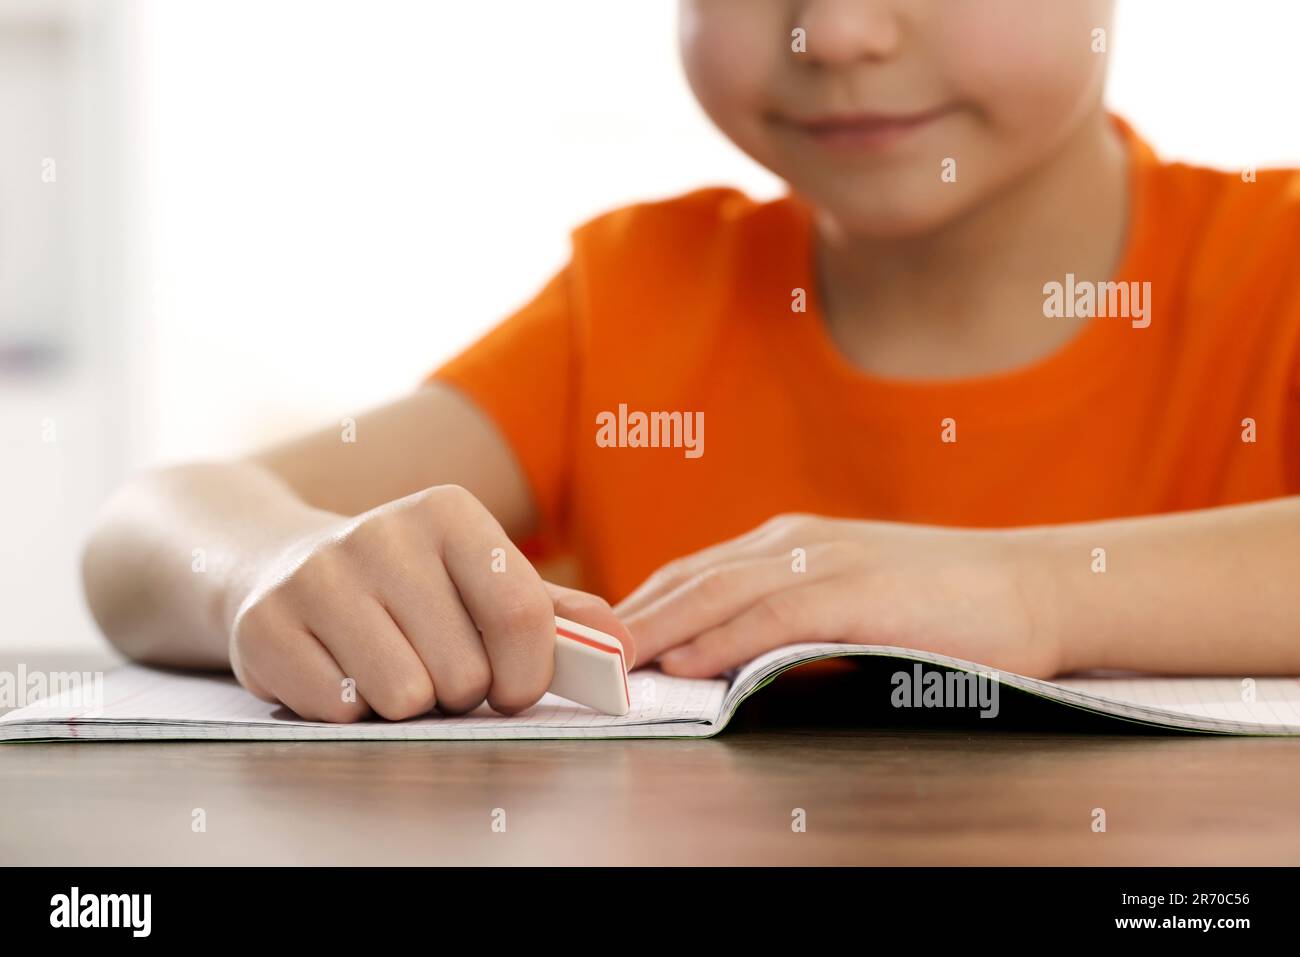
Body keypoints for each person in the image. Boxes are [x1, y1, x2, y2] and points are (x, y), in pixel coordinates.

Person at [82, 0, 1300, 722]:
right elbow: (143, 531)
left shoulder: (1271, 264)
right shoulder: (644, 297)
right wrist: (271, 563)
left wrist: (1038, 595)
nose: (838, 32)